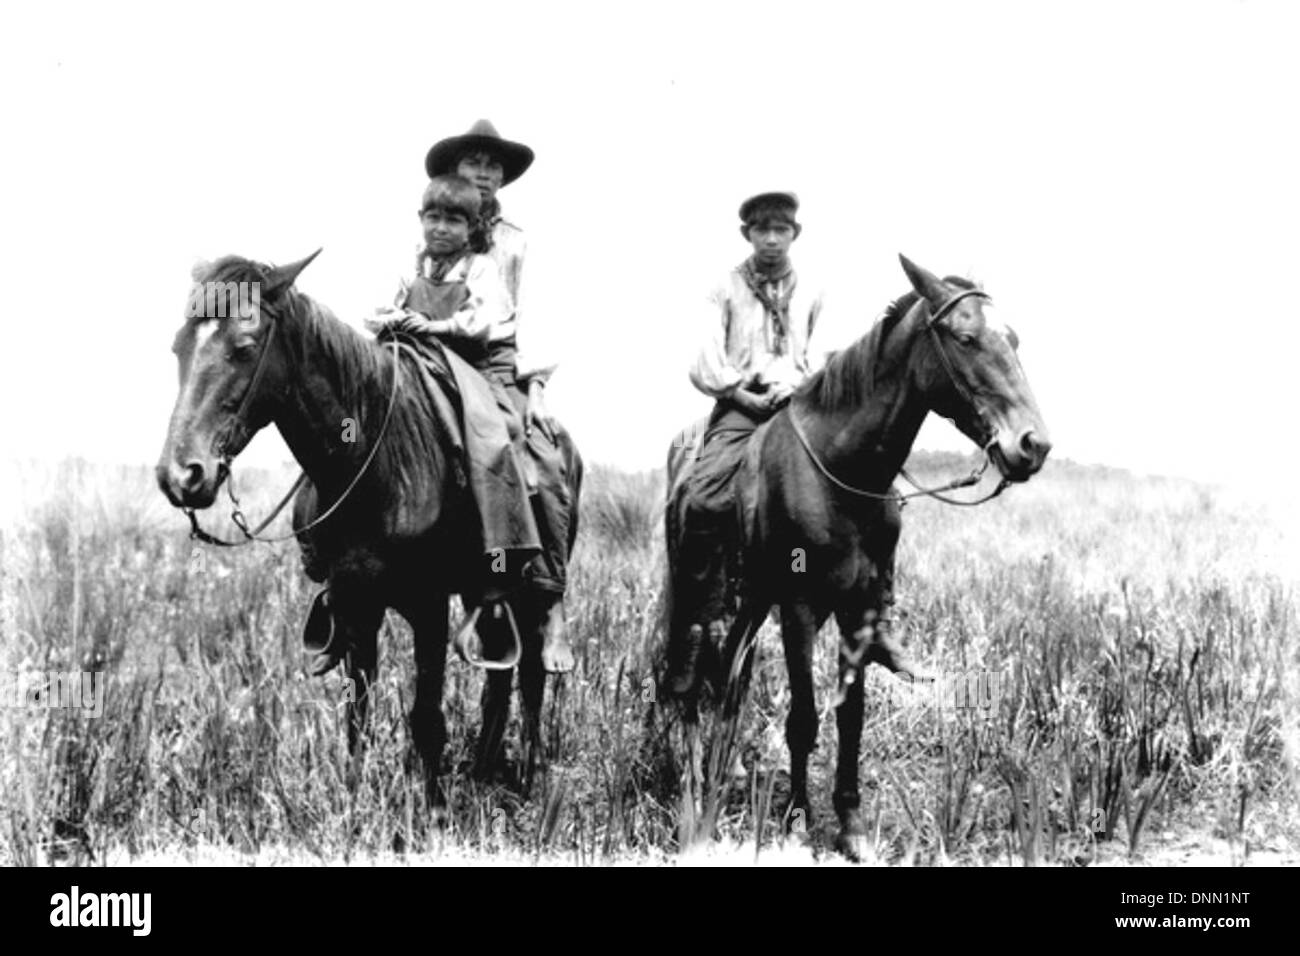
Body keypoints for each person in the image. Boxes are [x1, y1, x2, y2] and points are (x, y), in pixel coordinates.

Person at [667, 191, 925, 697]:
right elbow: (705, 357)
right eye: (761, 229)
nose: (770, 238)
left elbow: (827, 352)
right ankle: (699, 624)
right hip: (742, 403)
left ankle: (878, 617)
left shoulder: (816, 288)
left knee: (884, 504)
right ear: (748, 235)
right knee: (703, 497)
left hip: (804, 403)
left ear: (793, 235)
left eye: (780, 229)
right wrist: (739, 392)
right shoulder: (723, 287)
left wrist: (800, 388)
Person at [424, 120, 576, 674]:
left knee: (536, 456)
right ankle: (340, 580)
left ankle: (547, 594)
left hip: (492, 365)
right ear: (454, 171)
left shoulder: (516, 240)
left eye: (493, 165)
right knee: (354, 432)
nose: (484, 173)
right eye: (473, 163)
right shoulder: (432, 230)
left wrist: (534, 386)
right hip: (429, 357)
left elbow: (534, 312)